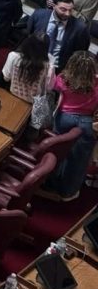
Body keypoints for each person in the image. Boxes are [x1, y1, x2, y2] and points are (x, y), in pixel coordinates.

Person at [43, 49, 98, 200]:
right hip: (86, 124)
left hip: (64, 119)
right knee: (79, 160)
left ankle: (49, 182)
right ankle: (68, 191)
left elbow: (52, 88)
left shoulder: (63, 79)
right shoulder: (96, 83)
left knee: (57, 153)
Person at [28, 0, 89, 74]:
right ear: (54, 6)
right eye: (63, 9)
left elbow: (79, 53)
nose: (67, 14)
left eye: (70, 10)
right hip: (33, 61)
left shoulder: (80, 28)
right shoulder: (39, 15)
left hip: (57, 69)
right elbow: (28, 36)